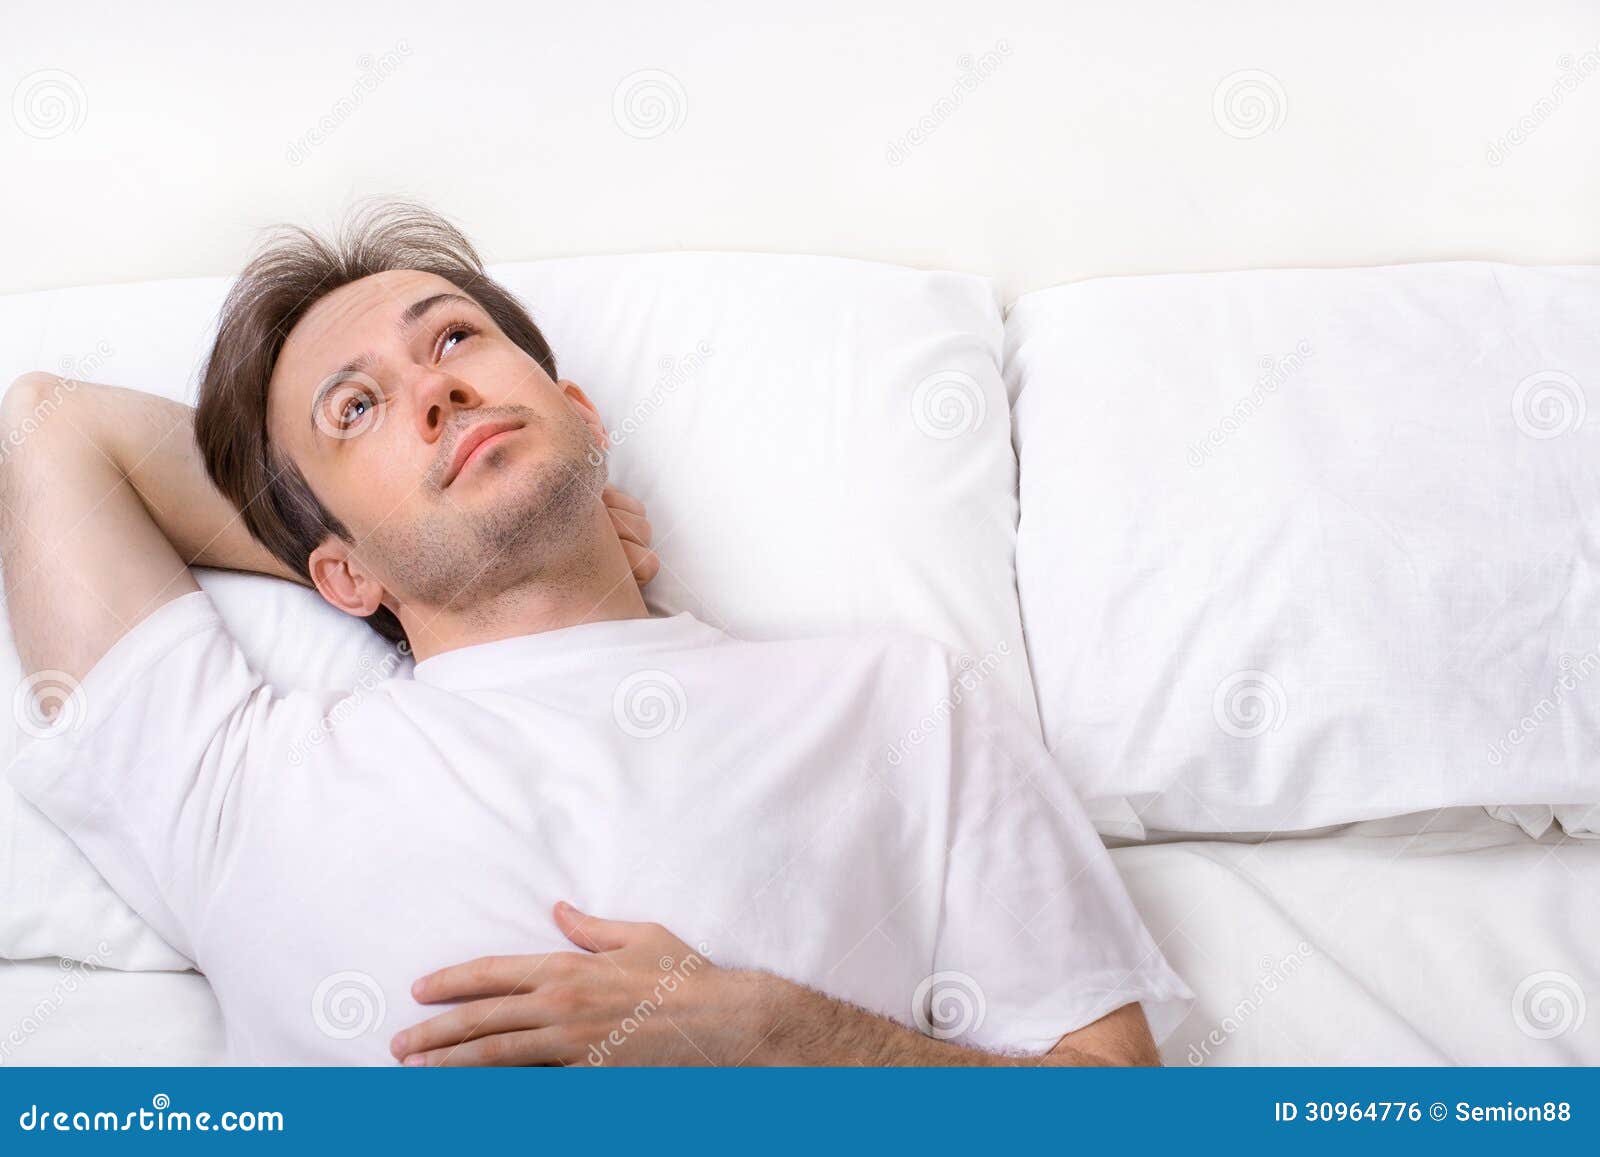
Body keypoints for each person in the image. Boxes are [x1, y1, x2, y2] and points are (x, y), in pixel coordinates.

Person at [0, 202, 1190, 1065]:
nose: (435, 389)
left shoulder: (898, 703)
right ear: (337, 572)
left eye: (452, 339)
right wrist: (399, 545)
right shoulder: (236, 783)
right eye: (356, 407)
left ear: (579, 415)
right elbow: (49, 428)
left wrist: (775, 1037)